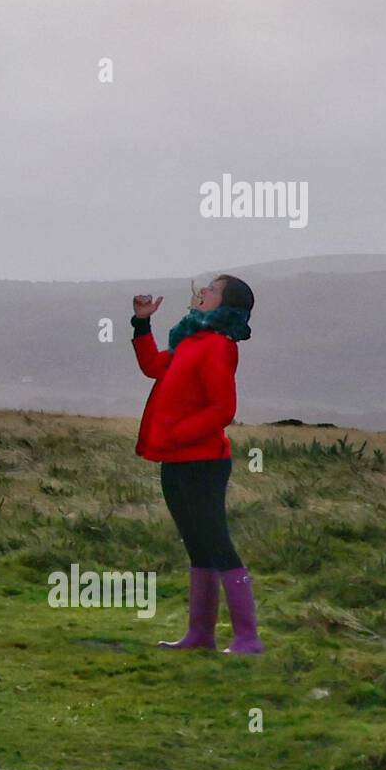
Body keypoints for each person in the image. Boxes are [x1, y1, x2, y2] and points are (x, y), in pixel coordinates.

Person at [131, 275, 263, 654]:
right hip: (174, 459)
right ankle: (200, 635)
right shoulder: (189, 340)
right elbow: (154, 366)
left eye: (212, 289)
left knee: (217, 544)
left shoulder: (220, 346)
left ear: (225, 305)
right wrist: (142, 323)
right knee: (198, 547)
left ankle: (247, 638)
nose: (202, 291)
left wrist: (175, 432)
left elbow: (223, 409)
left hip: (203, 461)